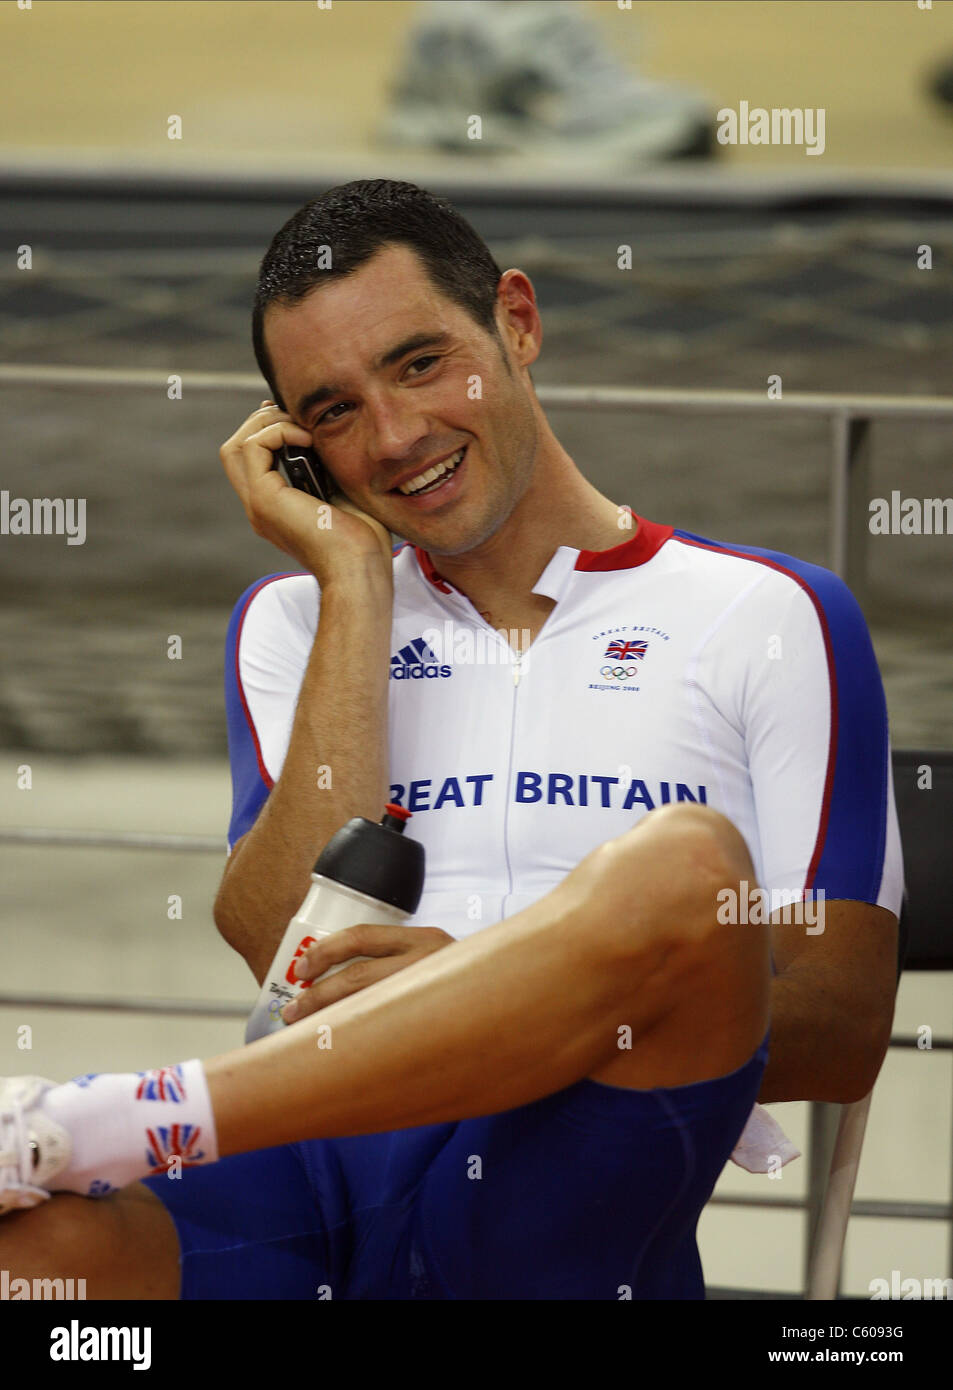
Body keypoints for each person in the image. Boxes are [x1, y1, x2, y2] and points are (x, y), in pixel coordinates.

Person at [0, 179, 902, 1300]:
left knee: (682, 868)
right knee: (33, 1259)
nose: (393, 436)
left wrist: (492, 987)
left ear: (515, 322)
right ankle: (98, 1133)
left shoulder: (773, 615)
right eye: (330, 411)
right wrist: (352, 584)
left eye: (421, 363)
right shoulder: (296, 620)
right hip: (310, 1164)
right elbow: (284, 947)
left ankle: (115, 1117)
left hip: (564, 1180)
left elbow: (842, 1024)